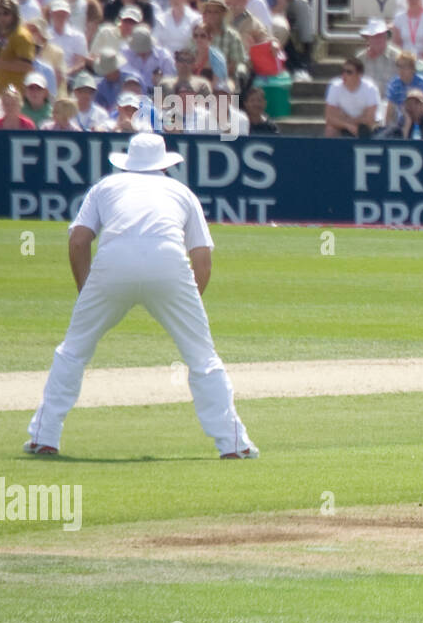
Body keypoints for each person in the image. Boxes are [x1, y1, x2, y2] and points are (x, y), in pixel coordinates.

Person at [24, 131, 258, 458]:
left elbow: (78, 241)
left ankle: (43, 436)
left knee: (73, 351)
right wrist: (188, 306)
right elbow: (202, 259)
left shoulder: (105, 187)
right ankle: (234, 445)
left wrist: (86, 292)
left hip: (112, 264)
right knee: (202, 357)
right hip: (168, 264)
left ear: (128, 164)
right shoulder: (181, 191)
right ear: (163, 166)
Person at [324, 56, 381, 137]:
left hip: (366, 126)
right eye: (343, 71)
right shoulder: (335, 86)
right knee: (330, 130)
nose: (344, 75)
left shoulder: (370, 88)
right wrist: (348, 125)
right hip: (345, 125)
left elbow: (370, 120)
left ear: (360, 75)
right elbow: (329, 118)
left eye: (349, 72)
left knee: (366, 128)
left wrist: (345, 118)